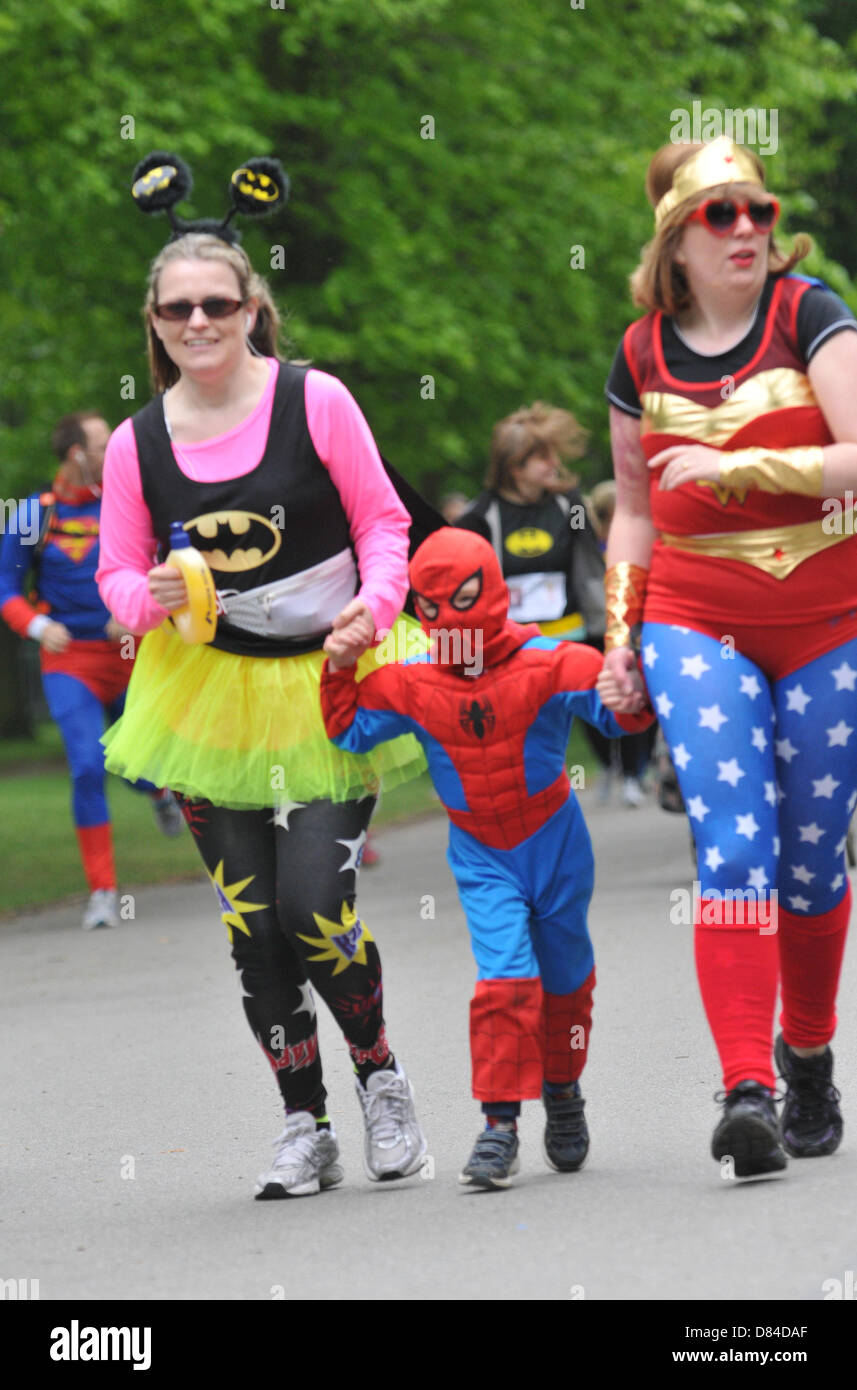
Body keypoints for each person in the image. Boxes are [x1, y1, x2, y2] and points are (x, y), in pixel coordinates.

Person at [96, 152, 429, 1198]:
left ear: (251, 307)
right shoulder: (135, 443)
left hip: (329, 678)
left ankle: (379, 1077)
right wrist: (138, 600)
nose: (198, 322)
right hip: (204, 693)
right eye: (176, 308)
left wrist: (372, 609)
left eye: (216, 303)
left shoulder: (313, 400)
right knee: (251, 923)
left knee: (311, 906)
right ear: (152, 321)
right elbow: (113, 567)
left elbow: (384, 523)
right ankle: (306, 1122)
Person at [601, 135, 857, 1177]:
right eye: (719, 214)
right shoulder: (637, 352)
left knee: (810, 860)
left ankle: (805, 1050)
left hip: (826, 619)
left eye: (756, 209)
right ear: (674, 238)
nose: (745, 229)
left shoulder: (808, 312)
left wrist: (736, 464)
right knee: (735, 847)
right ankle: (744, 1084)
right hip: (693, 617)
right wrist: (618, 637)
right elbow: (629, 512)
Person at [321, 528, 653, 1188]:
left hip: (554, 843)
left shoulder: (552, 662)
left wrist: (629, 690)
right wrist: (338, 663)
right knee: (502, 979)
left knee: (565, 979)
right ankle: (498, 1123)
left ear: (493, 592)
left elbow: (620, 718)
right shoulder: (413, 683)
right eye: (434, 607)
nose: (452, 618)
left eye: (464, 598)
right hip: (481, 854)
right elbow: (349, 728)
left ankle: (562, 1091)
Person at [0, 411, 184, 931]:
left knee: (137, 761)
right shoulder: (35, 513)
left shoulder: (126, 502)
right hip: (69, 659)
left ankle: (160, 793)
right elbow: (6, 587)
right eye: (104, 444)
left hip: (131, 657)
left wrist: (137, 614)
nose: (115, 450)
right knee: (86, 764)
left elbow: (162, 565)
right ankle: (102, 892)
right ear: (78, 454)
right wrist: (37, 627)